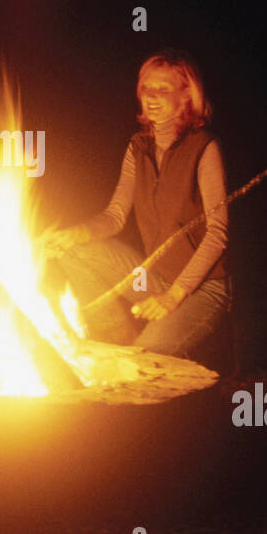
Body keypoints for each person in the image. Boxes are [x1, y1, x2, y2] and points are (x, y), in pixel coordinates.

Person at [42, 49, 231, 361]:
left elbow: (218, 234)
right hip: (155, 280)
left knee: (143, 359)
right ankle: (112, 338)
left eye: (163, 89)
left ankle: (138, 351)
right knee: (73, 248)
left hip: (202, 290)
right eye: (147, 89)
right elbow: (115, 216)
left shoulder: (204, 148)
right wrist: (76, 233)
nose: (152, 97)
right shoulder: (138, 147)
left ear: (187, 96)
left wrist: (173, 296)